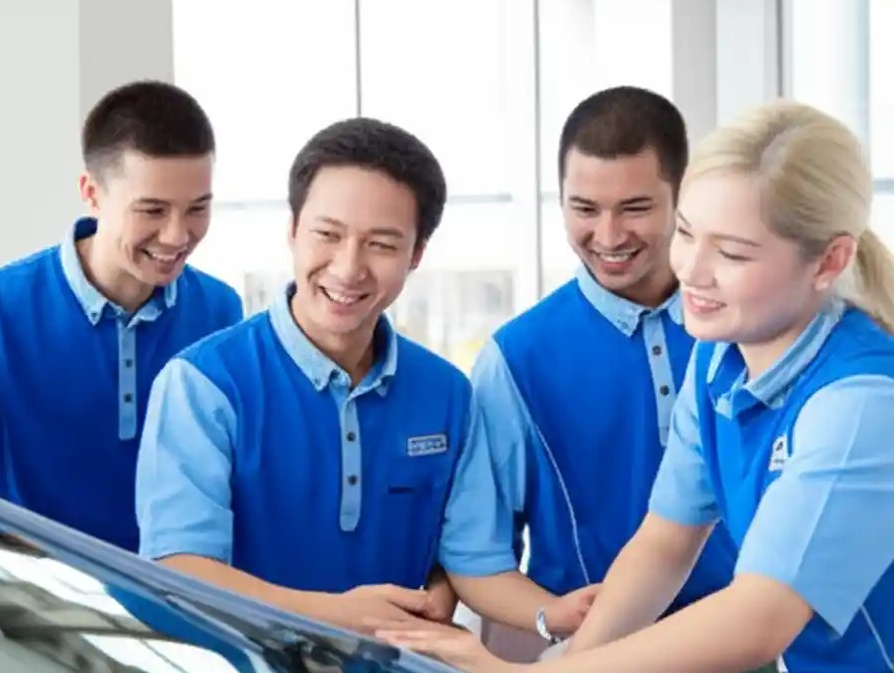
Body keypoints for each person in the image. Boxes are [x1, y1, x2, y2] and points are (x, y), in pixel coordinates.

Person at [376, 100, 894, 671]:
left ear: (829, 261)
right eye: (688, 234)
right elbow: (664, 543)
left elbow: (759, 618)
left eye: (731, 252)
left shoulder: (862, 403)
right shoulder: (717, 359)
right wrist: (560, 663)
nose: (692, 270)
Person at [135, 117, 598, 637]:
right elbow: (181, 569)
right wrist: (334, 615)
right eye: (328, 235)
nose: (348, 267)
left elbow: (473, 560)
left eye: (381, 244)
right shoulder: (201, 385)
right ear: (293, 230)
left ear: (416, 253)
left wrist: (553, 614)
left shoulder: (447, 394)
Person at [0, 79, 242, 554]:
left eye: (197, 209)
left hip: (180, 594)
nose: (177, 235)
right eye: (152, 210)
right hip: (30, 595)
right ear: (92, 193)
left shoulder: (221, 311)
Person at [469, 86, 736, 649]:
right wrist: (550, 616)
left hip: (744, 645)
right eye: (585, 209)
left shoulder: (747, 329)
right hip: (591, 650)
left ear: (682, 197)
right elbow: (479, 553)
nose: (609, 236)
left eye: (635, 208)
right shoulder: (515, 358)